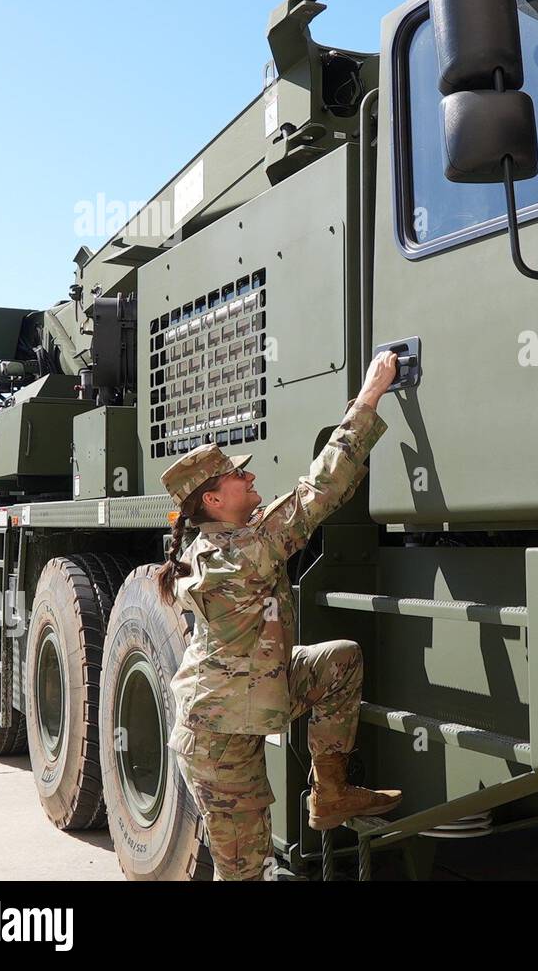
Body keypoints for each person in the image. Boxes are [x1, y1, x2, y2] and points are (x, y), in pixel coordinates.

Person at [154, 349, 402, 880]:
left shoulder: (229, 539)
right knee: (244, 870)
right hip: (219, 738)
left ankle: (329, 793)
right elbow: (319, 492)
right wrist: (369, 395)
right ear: (216, 499)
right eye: (238, 478)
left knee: (339, 661)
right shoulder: (241, 552)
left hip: (255, 693)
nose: (250, 478)